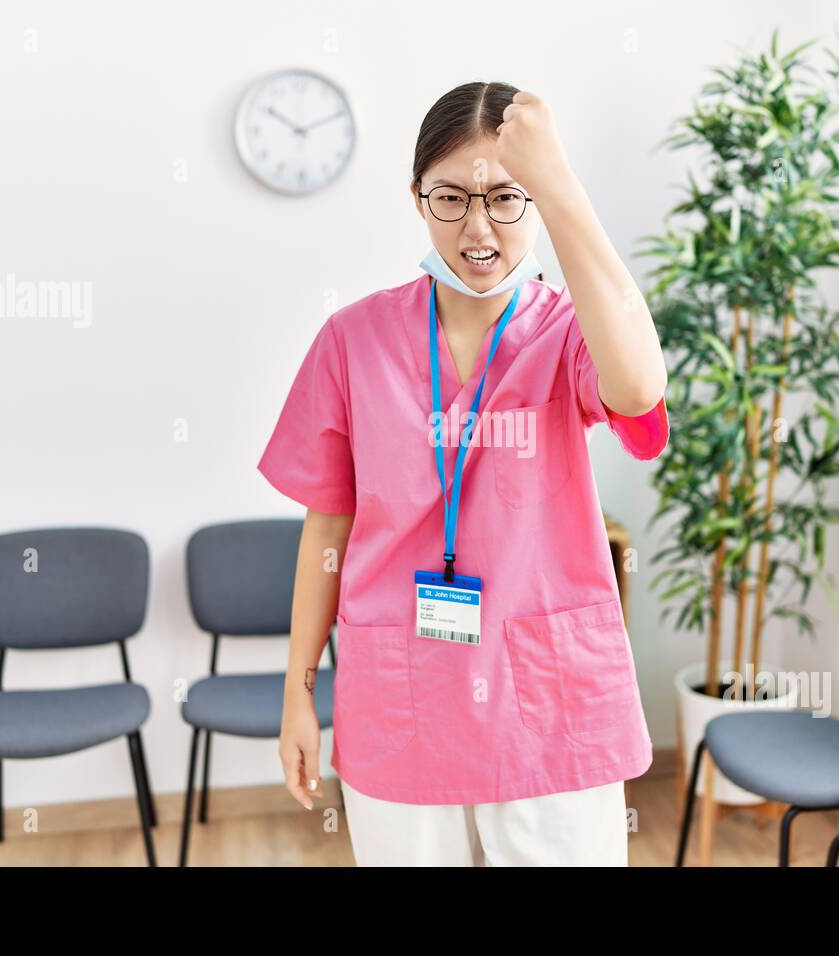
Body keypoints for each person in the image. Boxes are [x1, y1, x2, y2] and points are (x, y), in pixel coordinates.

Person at [258, 81, 669, 866]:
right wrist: (298, 695)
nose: (479, 229)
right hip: (403, 702)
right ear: (416, 199)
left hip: (549, 712)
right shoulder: (353, 341)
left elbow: (641, 389)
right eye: (451, 198)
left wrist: (562, 187)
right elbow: (328, 528)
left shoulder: (569, 334)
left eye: (508, 199)